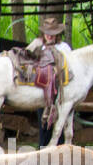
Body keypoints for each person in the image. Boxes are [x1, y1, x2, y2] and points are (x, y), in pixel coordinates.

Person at [25, 16, 68, 144]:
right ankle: (43, 149)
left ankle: (58, 151)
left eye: (52, 34)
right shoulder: (37, 45)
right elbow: (26, 57)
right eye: (47, 33)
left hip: (60, 92)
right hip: (42, 92)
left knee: (60, 123)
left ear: (57, 34)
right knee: (43, 124)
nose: (49, 36)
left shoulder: (63, 47)